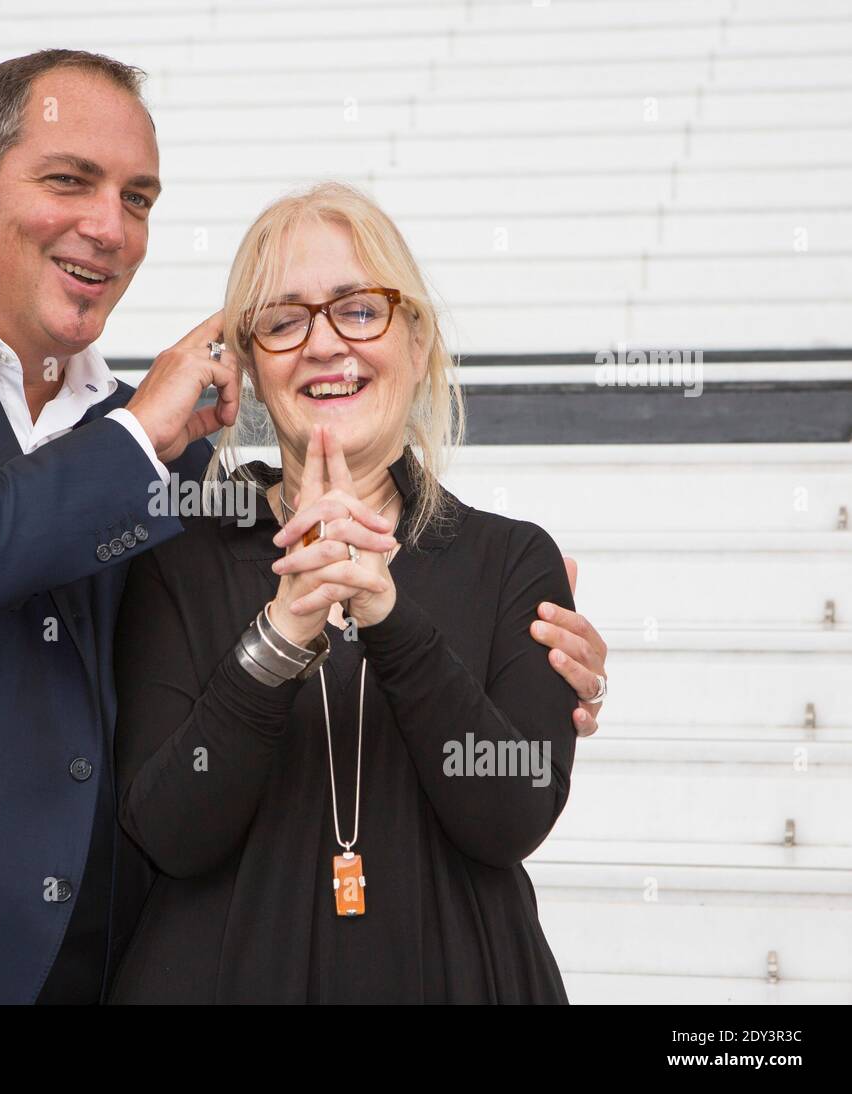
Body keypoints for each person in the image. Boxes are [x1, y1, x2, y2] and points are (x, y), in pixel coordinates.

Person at [0, 50, 606, 1005]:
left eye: (139, 198)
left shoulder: (180, 472)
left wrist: (532, 673)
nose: (108, 226)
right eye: (70, 180)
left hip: (84, 964)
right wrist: (142, 435)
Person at [109, 182, 603, 1002]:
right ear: (254, 369)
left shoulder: (511, 558)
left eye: (358, 310)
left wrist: (389, 617)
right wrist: (278, 636)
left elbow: (511, 814)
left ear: (415, 342)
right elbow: (168, 830)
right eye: (282, 320)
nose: (323, 343)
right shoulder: (179, 555)